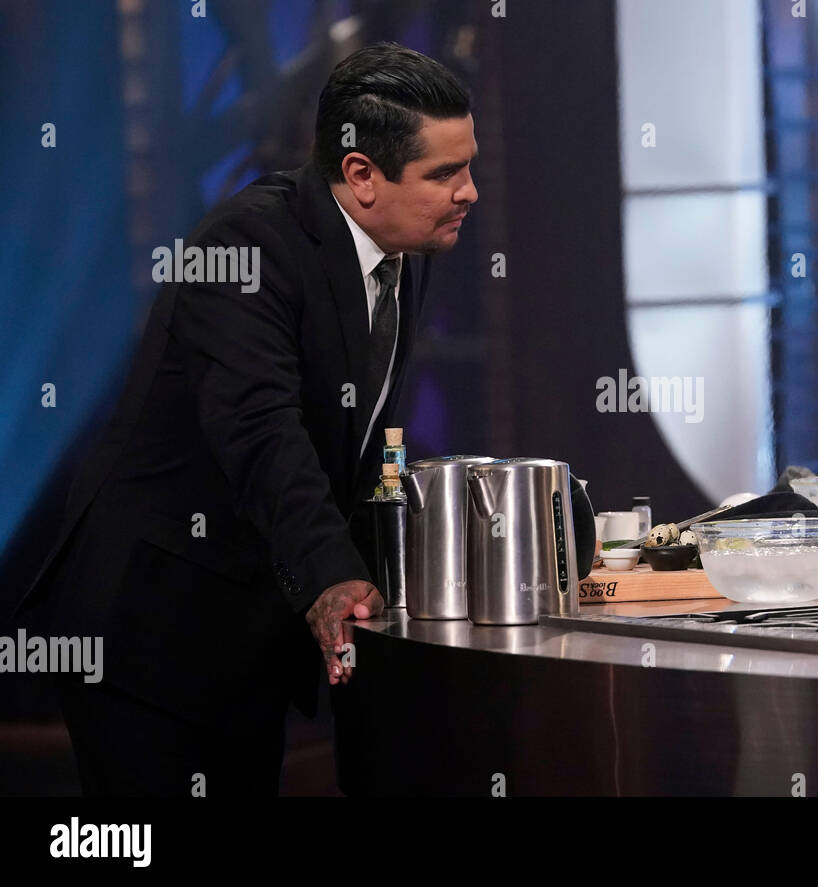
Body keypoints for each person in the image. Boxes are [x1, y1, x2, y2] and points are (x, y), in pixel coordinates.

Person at [11, 42, 478, 795]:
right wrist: (332, 577)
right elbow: (263, 434)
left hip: (248, 633)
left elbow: (357, 444)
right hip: (154, 634)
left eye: (468, 165)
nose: (470, 192)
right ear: (361, 176)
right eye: (444, 174)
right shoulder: (246, 247)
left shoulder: (403, 250)